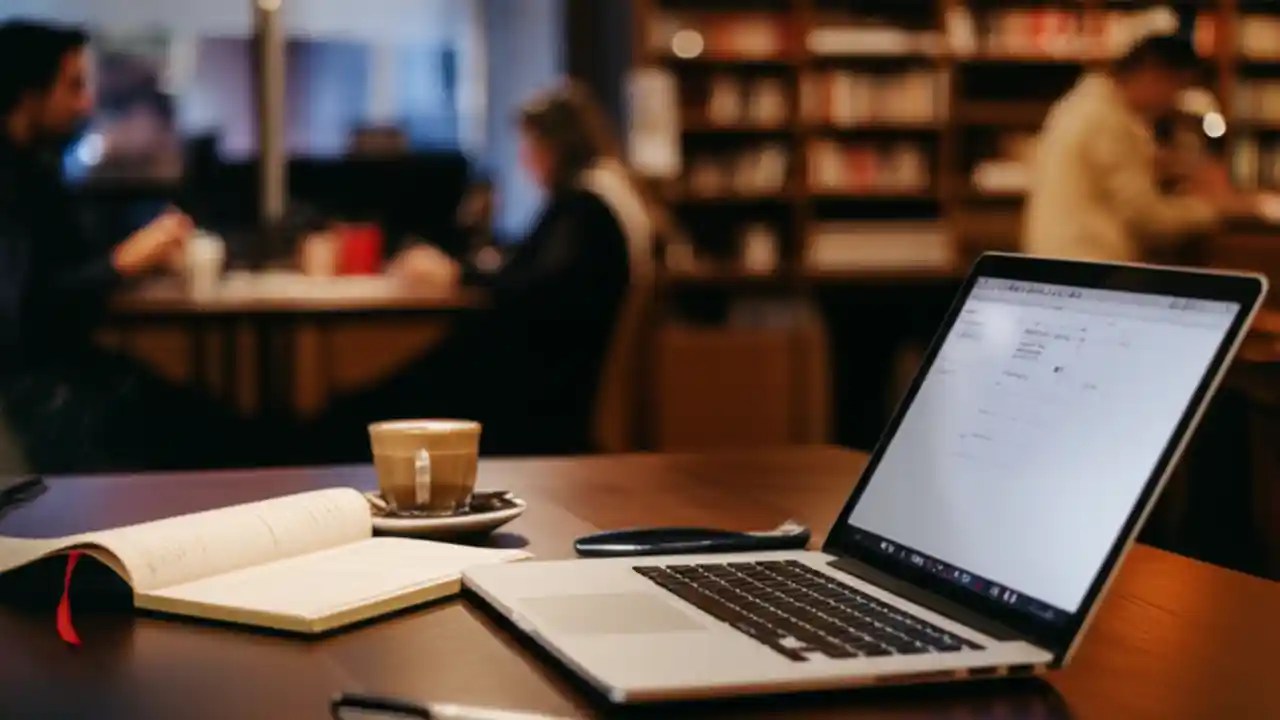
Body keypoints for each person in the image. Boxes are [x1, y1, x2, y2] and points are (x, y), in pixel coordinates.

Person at [321, 82, 655, 456]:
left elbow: (534, 287)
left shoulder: (586, 205)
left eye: (530, 146)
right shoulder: (602, 196)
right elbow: (536, 270)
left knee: (369, 408)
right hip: (543, 375)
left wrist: (458, 276)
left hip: (532, 390)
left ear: (557, 146)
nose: (526, 160)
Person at [0, 21, 256, 473]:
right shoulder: (11, 184)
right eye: (73, 86)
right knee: (224, 435)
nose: (87, 103)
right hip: (37, 397)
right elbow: (26, 314)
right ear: (27, 95)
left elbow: (60, 267)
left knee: (223, 420)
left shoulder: (37, 171)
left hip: (65, 381)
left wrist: (140, 257)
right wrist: (124, 261)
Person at [1023, 35, 1258, 263]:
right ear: (1153, 74)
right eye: (1177, 87)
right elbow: (1148, 220)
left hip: (1063, 259)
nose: (1174, 101)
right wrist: (1215, 209)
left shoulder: (1085, 104)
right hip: (1089, 264)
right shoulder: (1107, 121)